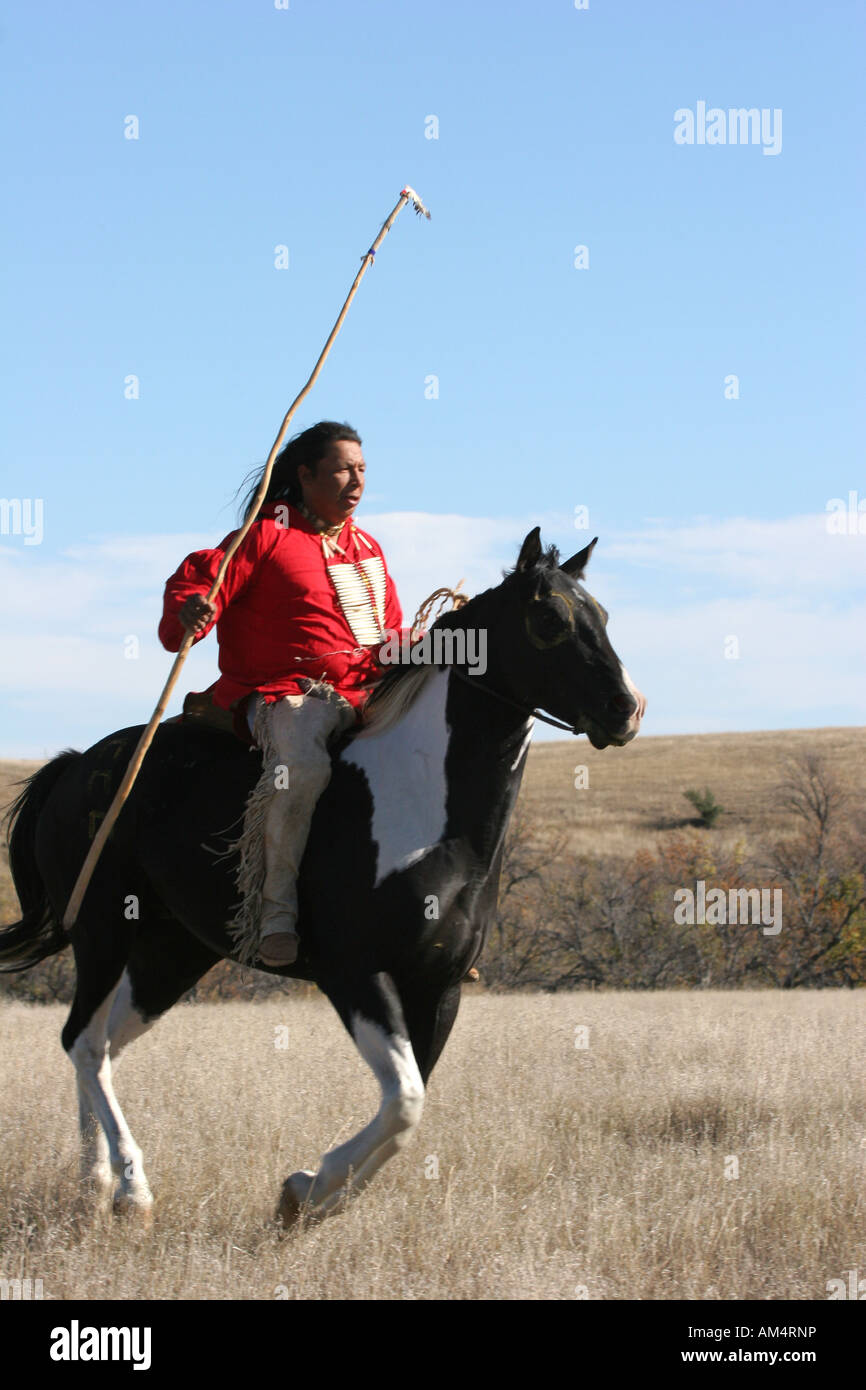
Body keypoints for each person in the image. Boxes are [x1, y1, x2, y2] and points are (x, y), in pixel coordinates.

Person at [158, 421, 403, 967]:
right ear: (305, 474)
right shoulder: (265, 534)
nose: (356, 480)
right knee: (303, 768)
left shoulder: (368, 548)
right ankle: (275, 913)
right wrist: (191, 610)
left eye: (362, 469)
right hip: (283, 694)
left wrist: (439, 647)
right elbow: (202, 580)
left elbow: (388, 635)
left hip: (366, 694)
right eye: (343, 469)